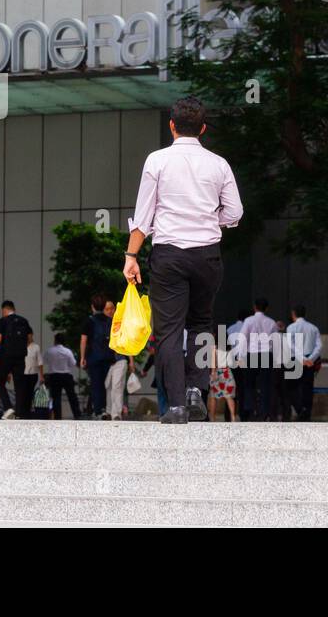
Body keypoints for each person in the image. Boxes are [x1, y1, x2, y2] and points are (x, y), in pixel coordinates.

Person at [125, 96, 243, 424]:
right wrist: (208, 219)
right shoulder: (218, 164)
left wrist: (131, 256)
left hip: (169, 255)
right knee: (201, 323)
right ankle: (196, 391)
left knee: (169, 331)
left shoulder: (157, 161)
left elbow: (144, 216)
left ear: (172, 125)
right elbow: (235, 212)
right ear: (203, 128)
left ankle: (176, 405)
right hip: (207, 255)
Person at [239, 299, 279, 421]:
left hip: (252, 354)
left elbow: (243, 338)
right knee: (265, 385)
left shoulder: (249, 320)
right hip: (266, 354)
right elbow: (275, 341)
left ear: (254, 307)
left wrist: (240, 356)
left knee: (249, 384)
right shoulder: (271, 322)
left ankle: (250, 410)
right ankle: (264, 412)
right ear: (266, 308)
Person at [282, 305, 322, 421]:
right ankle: (306, 413)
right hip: (310, 360)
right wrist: (311, 359)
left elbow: (291, 345)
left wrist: (302, 358)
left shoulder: (291, 327)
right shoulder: (314, 328)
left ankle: (300, 409)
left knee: (291, 387)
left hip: (296, 360)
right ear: (305, 314)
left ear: (293, 314)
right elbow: (319, 346)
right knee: (307, 387)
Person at [0, 300, 33, 418]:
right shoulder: (24, 321)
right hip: (21, 357)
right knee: (19, 386)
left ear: (4, 310)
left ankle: (8, 407)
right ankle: (19, 413)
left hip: (6, 356)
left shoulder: (3, 321)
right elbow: (30, 339)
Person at [80, 296, 117, 418]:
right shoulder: (110, 320)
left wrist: (82, 357)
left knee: (96, 384)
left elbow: (84, 340)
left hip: (94, 357)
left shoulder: (89, 321)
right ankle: (106, 409)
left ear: (92, 307)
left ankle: (98, 410)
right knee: (107, 384)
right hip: (108, 357)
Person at [43, 334, 82, 419]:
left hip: (54, 376)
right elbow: (72, 363)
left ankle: (58, 416)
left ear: (55, 340)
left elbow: (45, 361)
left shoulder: (50, 351)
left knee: (56, 397)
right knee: (72, 396)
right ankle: (77, 414)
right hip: (66, 375)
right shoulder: (67, 351)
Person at [208, 346, 237, 421]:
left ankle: (212, 418)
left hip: (217, 372)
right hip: (227, 372)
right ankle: (233, 417)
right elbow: (231, 363)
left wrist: (213, 372)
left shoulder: (214, 348)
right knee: (229, 396)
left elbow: (213, 362)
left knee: (213, 395)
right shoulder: (229, 349)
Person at [22, 332, 45, 418]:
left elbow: (40, 362)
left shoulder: (36, 347)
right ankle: (22, 411)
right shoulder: (21, 346)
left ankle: (28, 411)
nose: (28, 336)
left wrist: (41, 376)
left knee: (30, 392)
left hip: (32, 374)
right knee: (22, 393)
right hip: (22, 374)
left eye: (29, 334)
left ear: (32, 335)